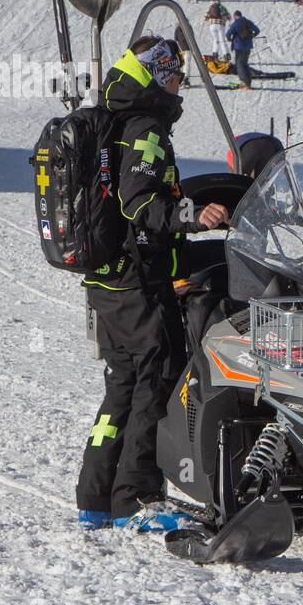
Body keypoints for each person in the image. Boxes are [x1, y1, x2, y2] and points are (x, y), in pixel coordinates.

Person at [77, 35, 229, 533]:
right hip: (138, 279)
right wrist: (193, 215)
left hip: (108, 279)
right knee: (155, 379)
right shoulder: (145, 127)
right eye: (175, 75)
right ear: (157, 75)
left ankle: (95, 498)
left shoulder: (117, 120)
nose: (180, 83)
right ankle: (135, 498)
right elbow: (138, 202)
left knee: (121, 386)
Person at [225, 10, 260, 90]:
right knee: (245, 63)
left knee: (239, 64)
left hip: (239, 47)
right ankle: (248, 82)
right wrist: (252, 36)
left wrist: (230, 39)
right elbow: (257, 30)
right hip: (248, 47)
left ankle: (244, 82)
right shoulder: (248, 22)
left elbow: (228, 34)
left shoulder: (236, 23)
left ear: (235, 16)